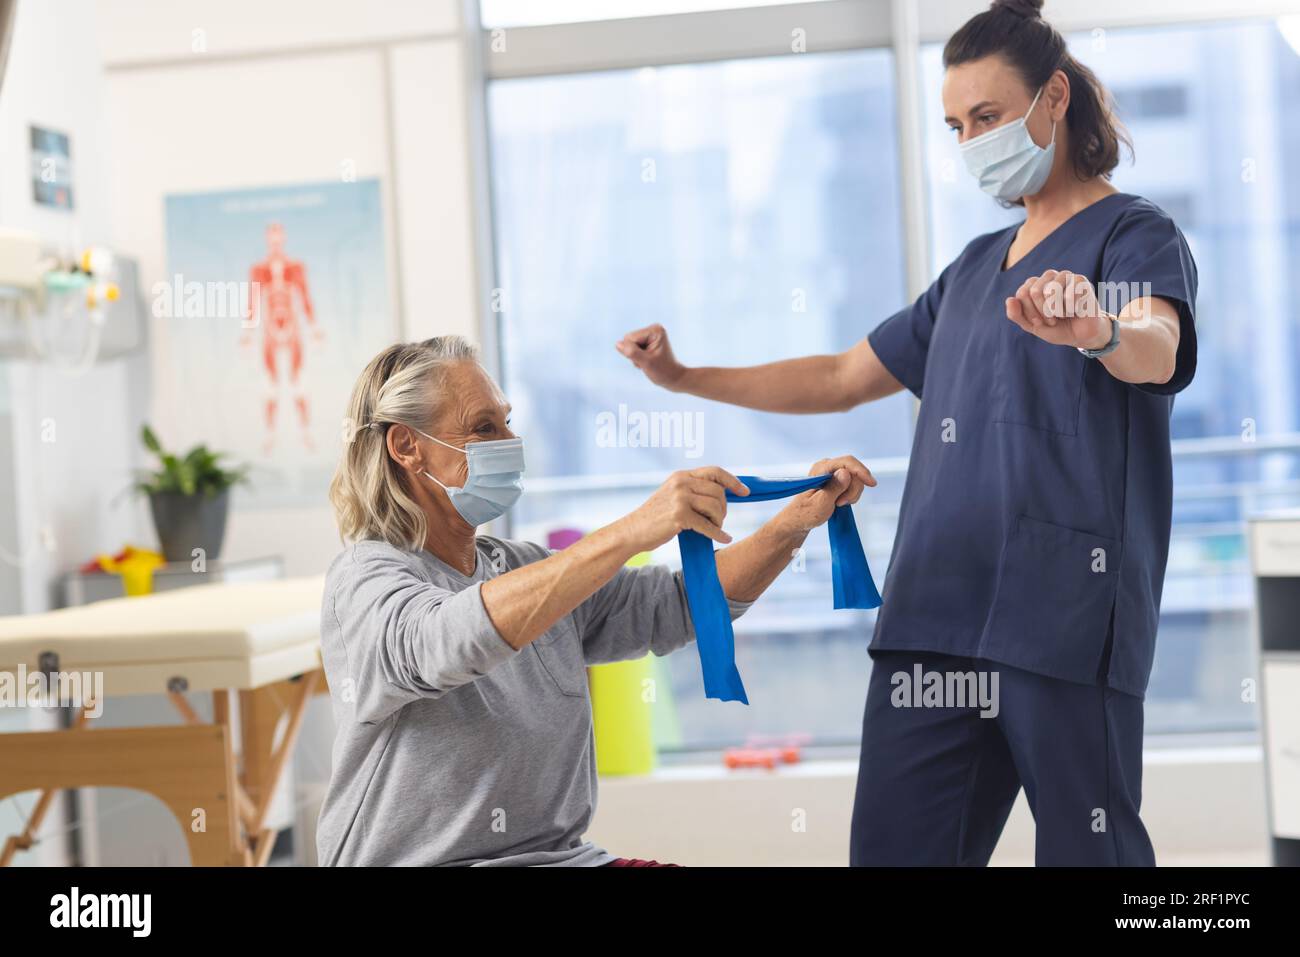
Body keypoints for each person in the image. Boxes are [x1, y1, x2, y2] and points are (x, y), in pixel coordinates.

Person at [617, 0, 1197, 866]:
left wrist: (1100, 330)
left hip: (1064, 619)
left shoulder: (1132, 235)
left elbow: (1157, 346)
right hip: (934, 615)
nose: (971, 142)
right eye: (957, 125)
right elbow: (842, 376)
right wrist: (683, 377)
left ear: (1056, 100)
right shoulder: (970, 271)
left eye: (989, 117)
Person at [317, 335, 874, 866]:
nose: (508, 442)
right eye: (483, 427)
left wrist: (794, 523)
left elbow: (677, 604)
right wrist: (635, 530)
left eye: (507, 422)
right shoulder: (365, 579)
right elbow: (443, 641)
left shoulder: (523, 566)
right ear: (407, 447)